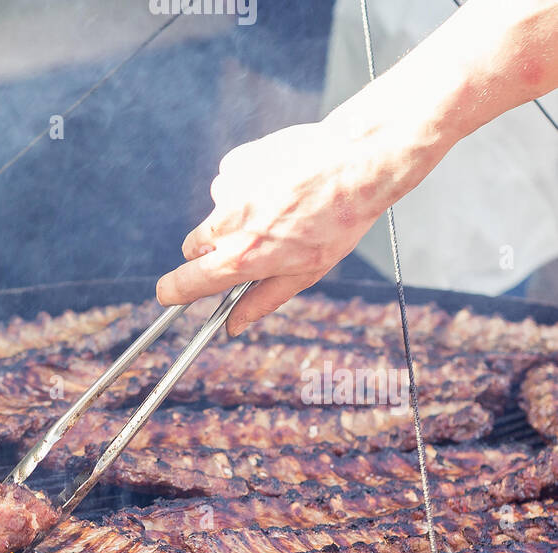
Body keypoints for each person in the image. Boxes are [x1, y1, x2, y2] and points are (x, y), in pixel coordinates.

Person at [157, 0, 558, 334]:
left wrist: (351, 169)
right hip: (369, 51)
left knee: (476, 300)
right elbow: (278, 45)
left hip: (503, 99)